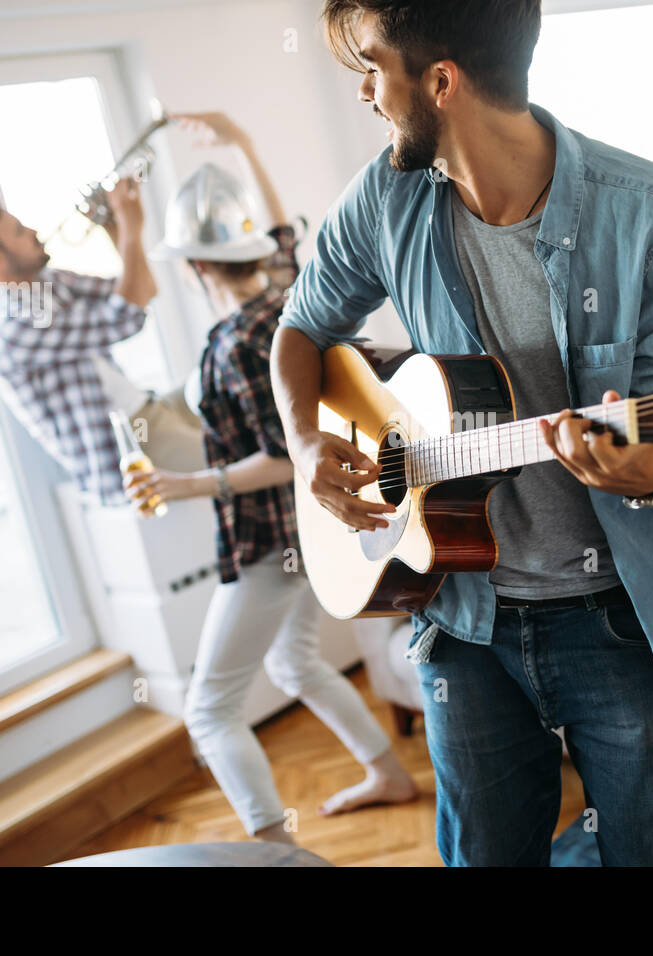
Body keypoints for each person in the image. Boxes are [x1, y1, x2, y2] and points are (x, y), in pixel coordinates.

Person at [271, 0, 653, 866]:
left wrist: (637, 467)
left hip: (617, 620)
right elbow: (299, 330)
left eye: (373, 67)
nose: (367, 94)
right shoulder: (387, 196)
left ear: (441, 82)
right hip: (460, 619)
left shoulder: (649, 210)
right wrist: (307, 446)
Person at [127, 111, 417, 843]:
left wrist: (189, 484)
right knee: (294, 662)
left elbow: (289, 453)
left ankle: (271, 847)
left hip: (268, 538)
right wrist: (242, 144)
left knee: (209, 708)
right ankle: (387, 771)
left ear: (193, 269)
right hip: (307, 533)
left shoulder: (234, 342)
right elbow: (283, 235)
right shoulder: (290, 297)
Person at [0, 182, 204, 505]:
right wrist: (131, 227)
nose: (32, 231)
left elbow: (144, 291)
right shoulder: (11, 324)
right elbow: (127, 317)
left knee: (216, 381)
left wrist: (115, 230)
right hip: (130, 451)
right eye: (17, 230)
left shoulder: (45, 281)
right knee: (236, 460)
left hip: (144, 413)